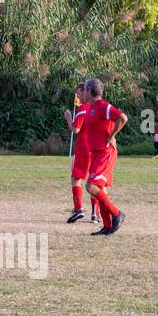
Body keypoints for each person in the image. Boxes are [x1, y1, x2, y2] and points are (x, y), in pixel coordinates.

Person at [77, 77, 127, 236]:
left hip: (105, 153)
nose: (82, 93)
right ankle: (106, 226)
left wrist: (111, 135)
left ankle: (117, 214)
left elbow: (123, 118)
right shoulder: (91, 108)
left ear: (90, 91)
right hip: (97, 153)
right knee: (98, 189)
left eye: (84, 90)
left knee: (91, 186)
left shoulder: (102, 106)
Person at [63, 82, 93, 224]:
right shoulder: (97, 107)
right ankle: (95, 214)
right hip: (96, 149)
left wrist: (69, 117)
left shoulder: (83, 108)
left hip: (83, 149)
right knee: (95, 181)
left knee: (76, 178)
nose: (78, 96)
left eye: (79, 93)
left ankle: (78, 208)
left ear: (86, 92)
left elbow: (76, 129)